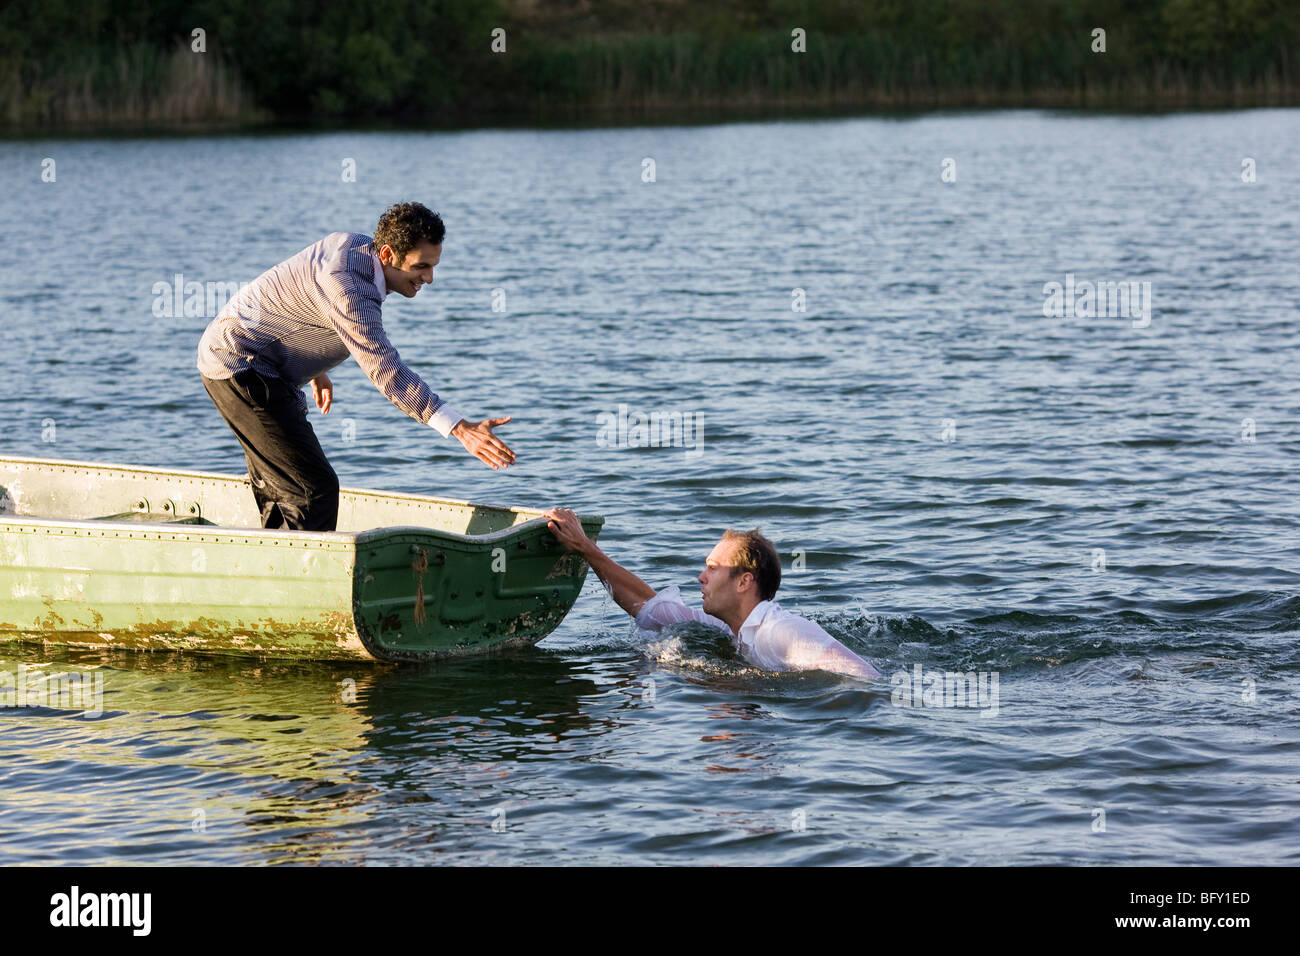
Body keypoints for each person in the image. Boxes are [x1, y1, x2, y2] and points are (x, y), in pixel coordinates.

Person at [197, 202, 515, 531]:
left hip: (252, 361)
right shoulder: (349, 288)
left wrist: (313, 368)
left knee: (287, 487)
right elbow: (387, 373)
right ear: (388, 254)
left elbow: (297, 298)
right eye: (421, 267)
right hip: (241, 366)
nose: (430, 278)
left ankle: (272, 565)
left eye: (433, 266)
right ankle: (301, 577)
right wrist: (460, 429)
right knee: (313, 491)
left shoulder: (354, 247)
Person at [542, 508, 882, 679]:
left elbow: (866, 682)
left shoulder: (783, 633)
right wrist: (584, 548)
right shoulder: (727, 625)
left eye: (713, 567)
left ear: (744, 582)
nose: (701, 577)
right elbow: (649, 607)